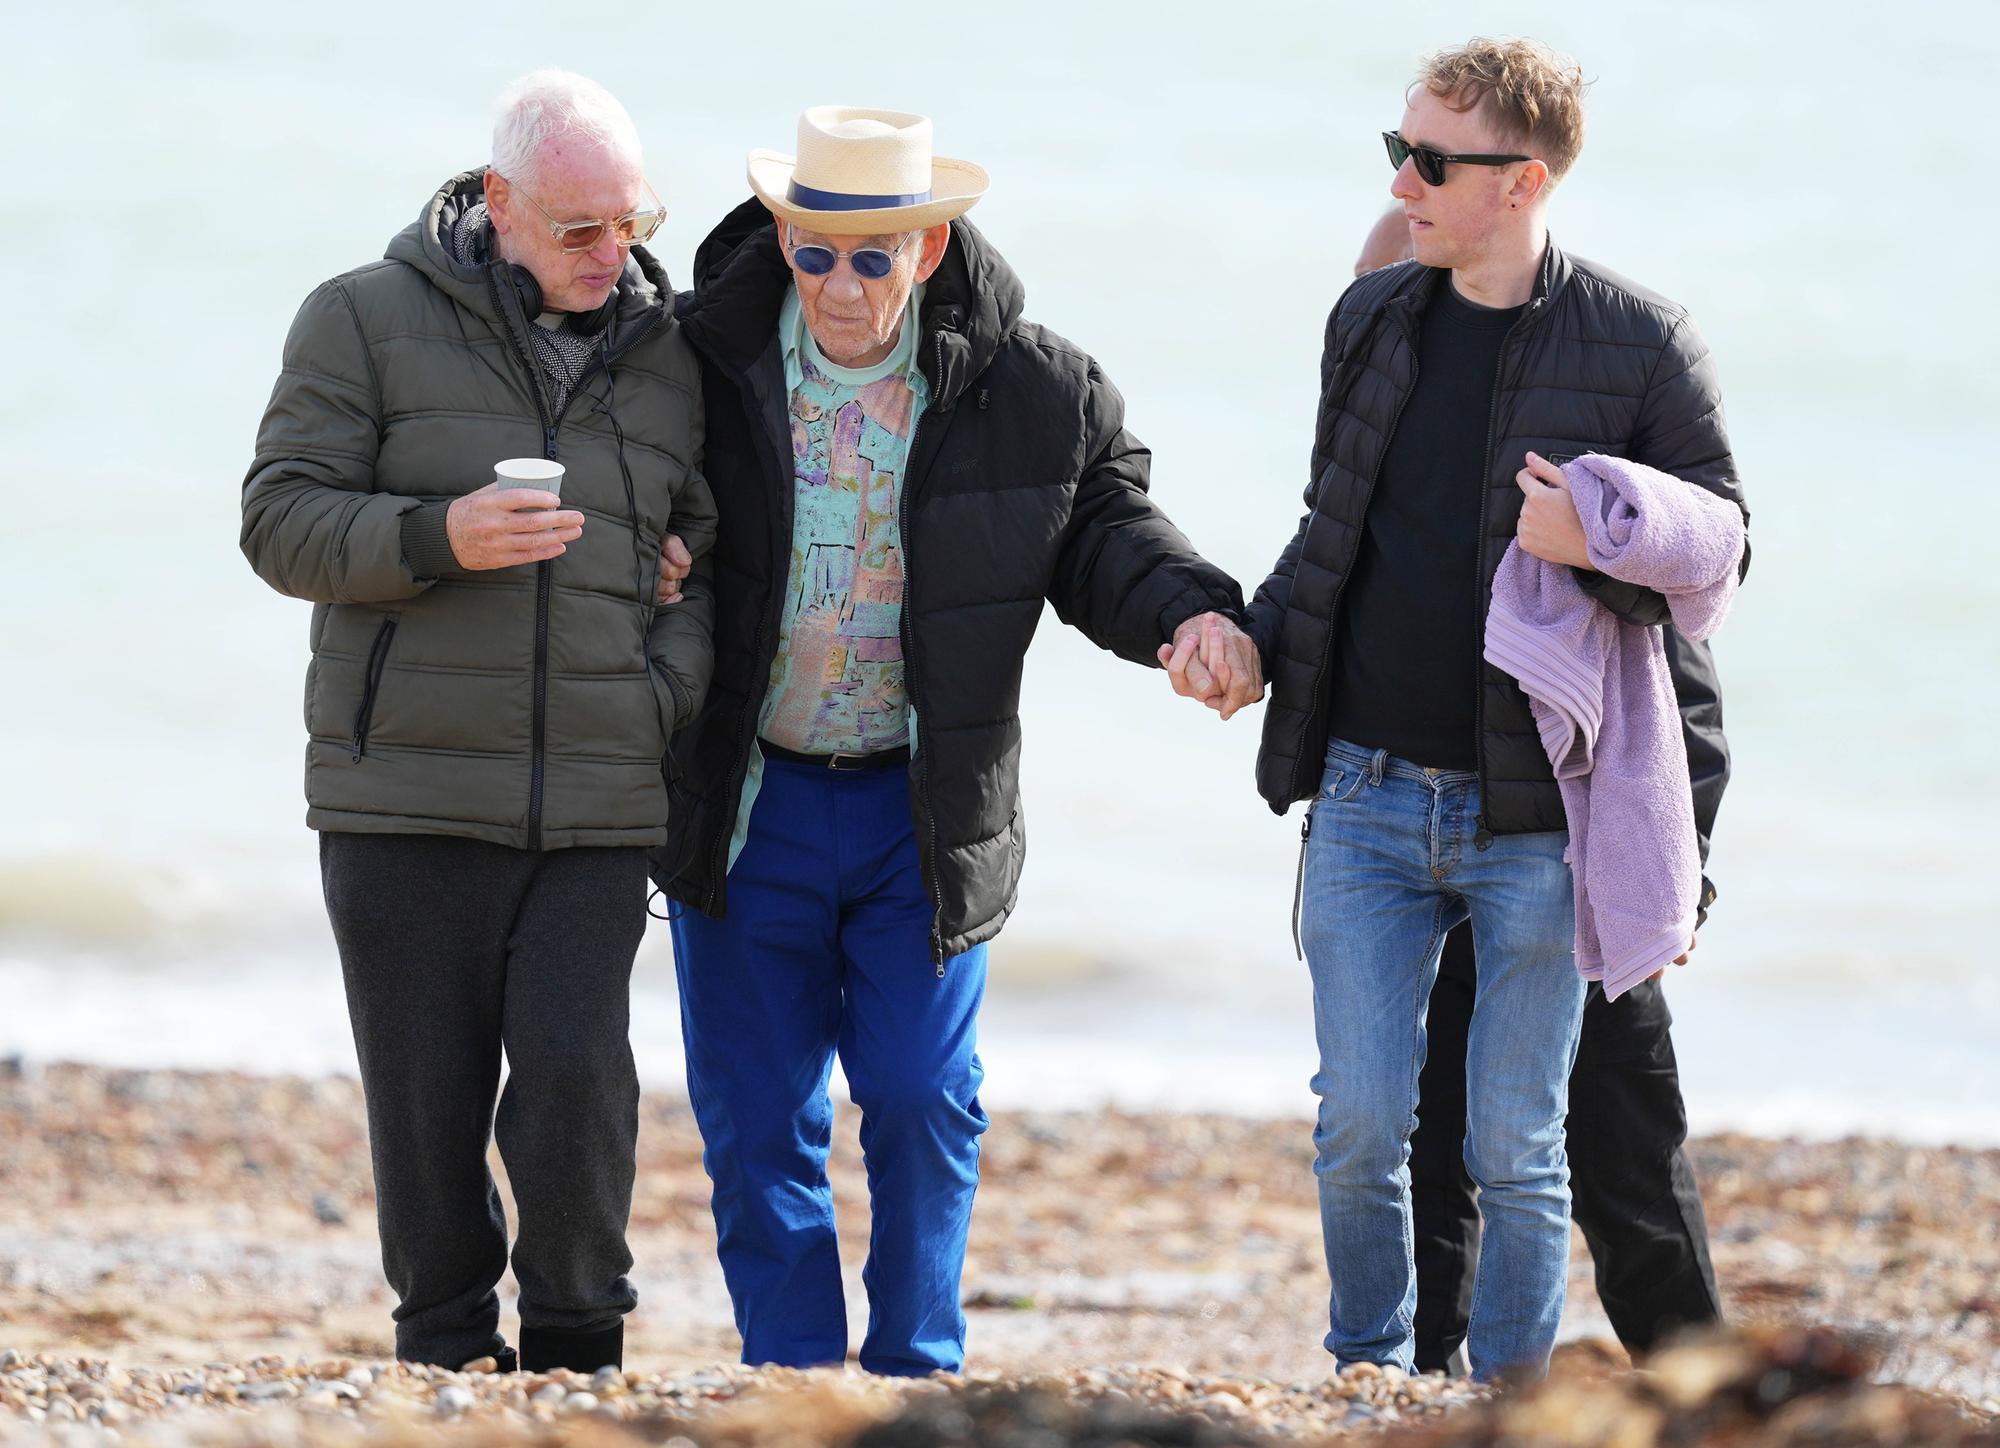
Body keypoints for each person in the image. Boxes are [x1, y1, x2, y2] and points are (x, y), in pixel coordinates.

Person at [649, 106, 1258, 1376]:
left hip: (920, 805)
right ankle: (794, 1375)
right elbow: (618, 488)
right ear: (784, 234)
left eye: (873, 258)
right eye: (815, 252)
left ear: (926, 248)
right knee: (757, 1115)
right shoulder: (695, 360)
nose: (840, 286)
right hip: (744, 796)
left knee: (922, 1097)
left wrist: (1192, 613)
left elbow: (1105, 531)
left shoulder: (1034, 389)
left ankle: (915, 1368)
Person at [1230, 38, 1749, 1380]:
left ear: (1522, 182)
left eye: (1429, 161)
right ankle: (1389, 1381)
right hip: (1374, 795)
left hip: (1553, 811)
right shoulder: (1374, 323)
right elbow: (1331, 533)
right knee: (1380, 1128)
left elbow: (1708, 570)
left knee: (1578, 1138)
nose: (1400, 184)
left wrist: (1676, 860)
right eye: (1395, 153)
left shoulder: (1635, 343)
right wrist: (1246, 640)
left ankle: (1657, 1386)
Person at [239, 70, 715, 1373]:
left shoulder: (673, 354)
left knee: (577, 1079)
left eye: (631, 221)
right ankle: (444, 1353)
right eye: (579, 228)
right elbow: (278, 521)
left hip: (599, 791)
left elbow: (712, 552)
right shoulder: (360, 316)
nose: (613, 252)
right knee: (424, 1106)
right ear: (499, 202)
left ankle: (578, 1344)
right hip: (402, 789)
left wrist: (662, 685)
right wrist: (435, 535)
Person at [1356, 201, 1730, 1371]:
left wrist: (1678, 878)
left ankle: (1691, 1385)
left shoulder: (1568, 478)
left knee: (1626, 1150)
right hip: (1414, 853)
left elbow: (1675, 695)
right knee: (1424, 1139)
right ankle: (1427, 1381)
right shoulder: (1374, 461)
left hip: (1571, 865)